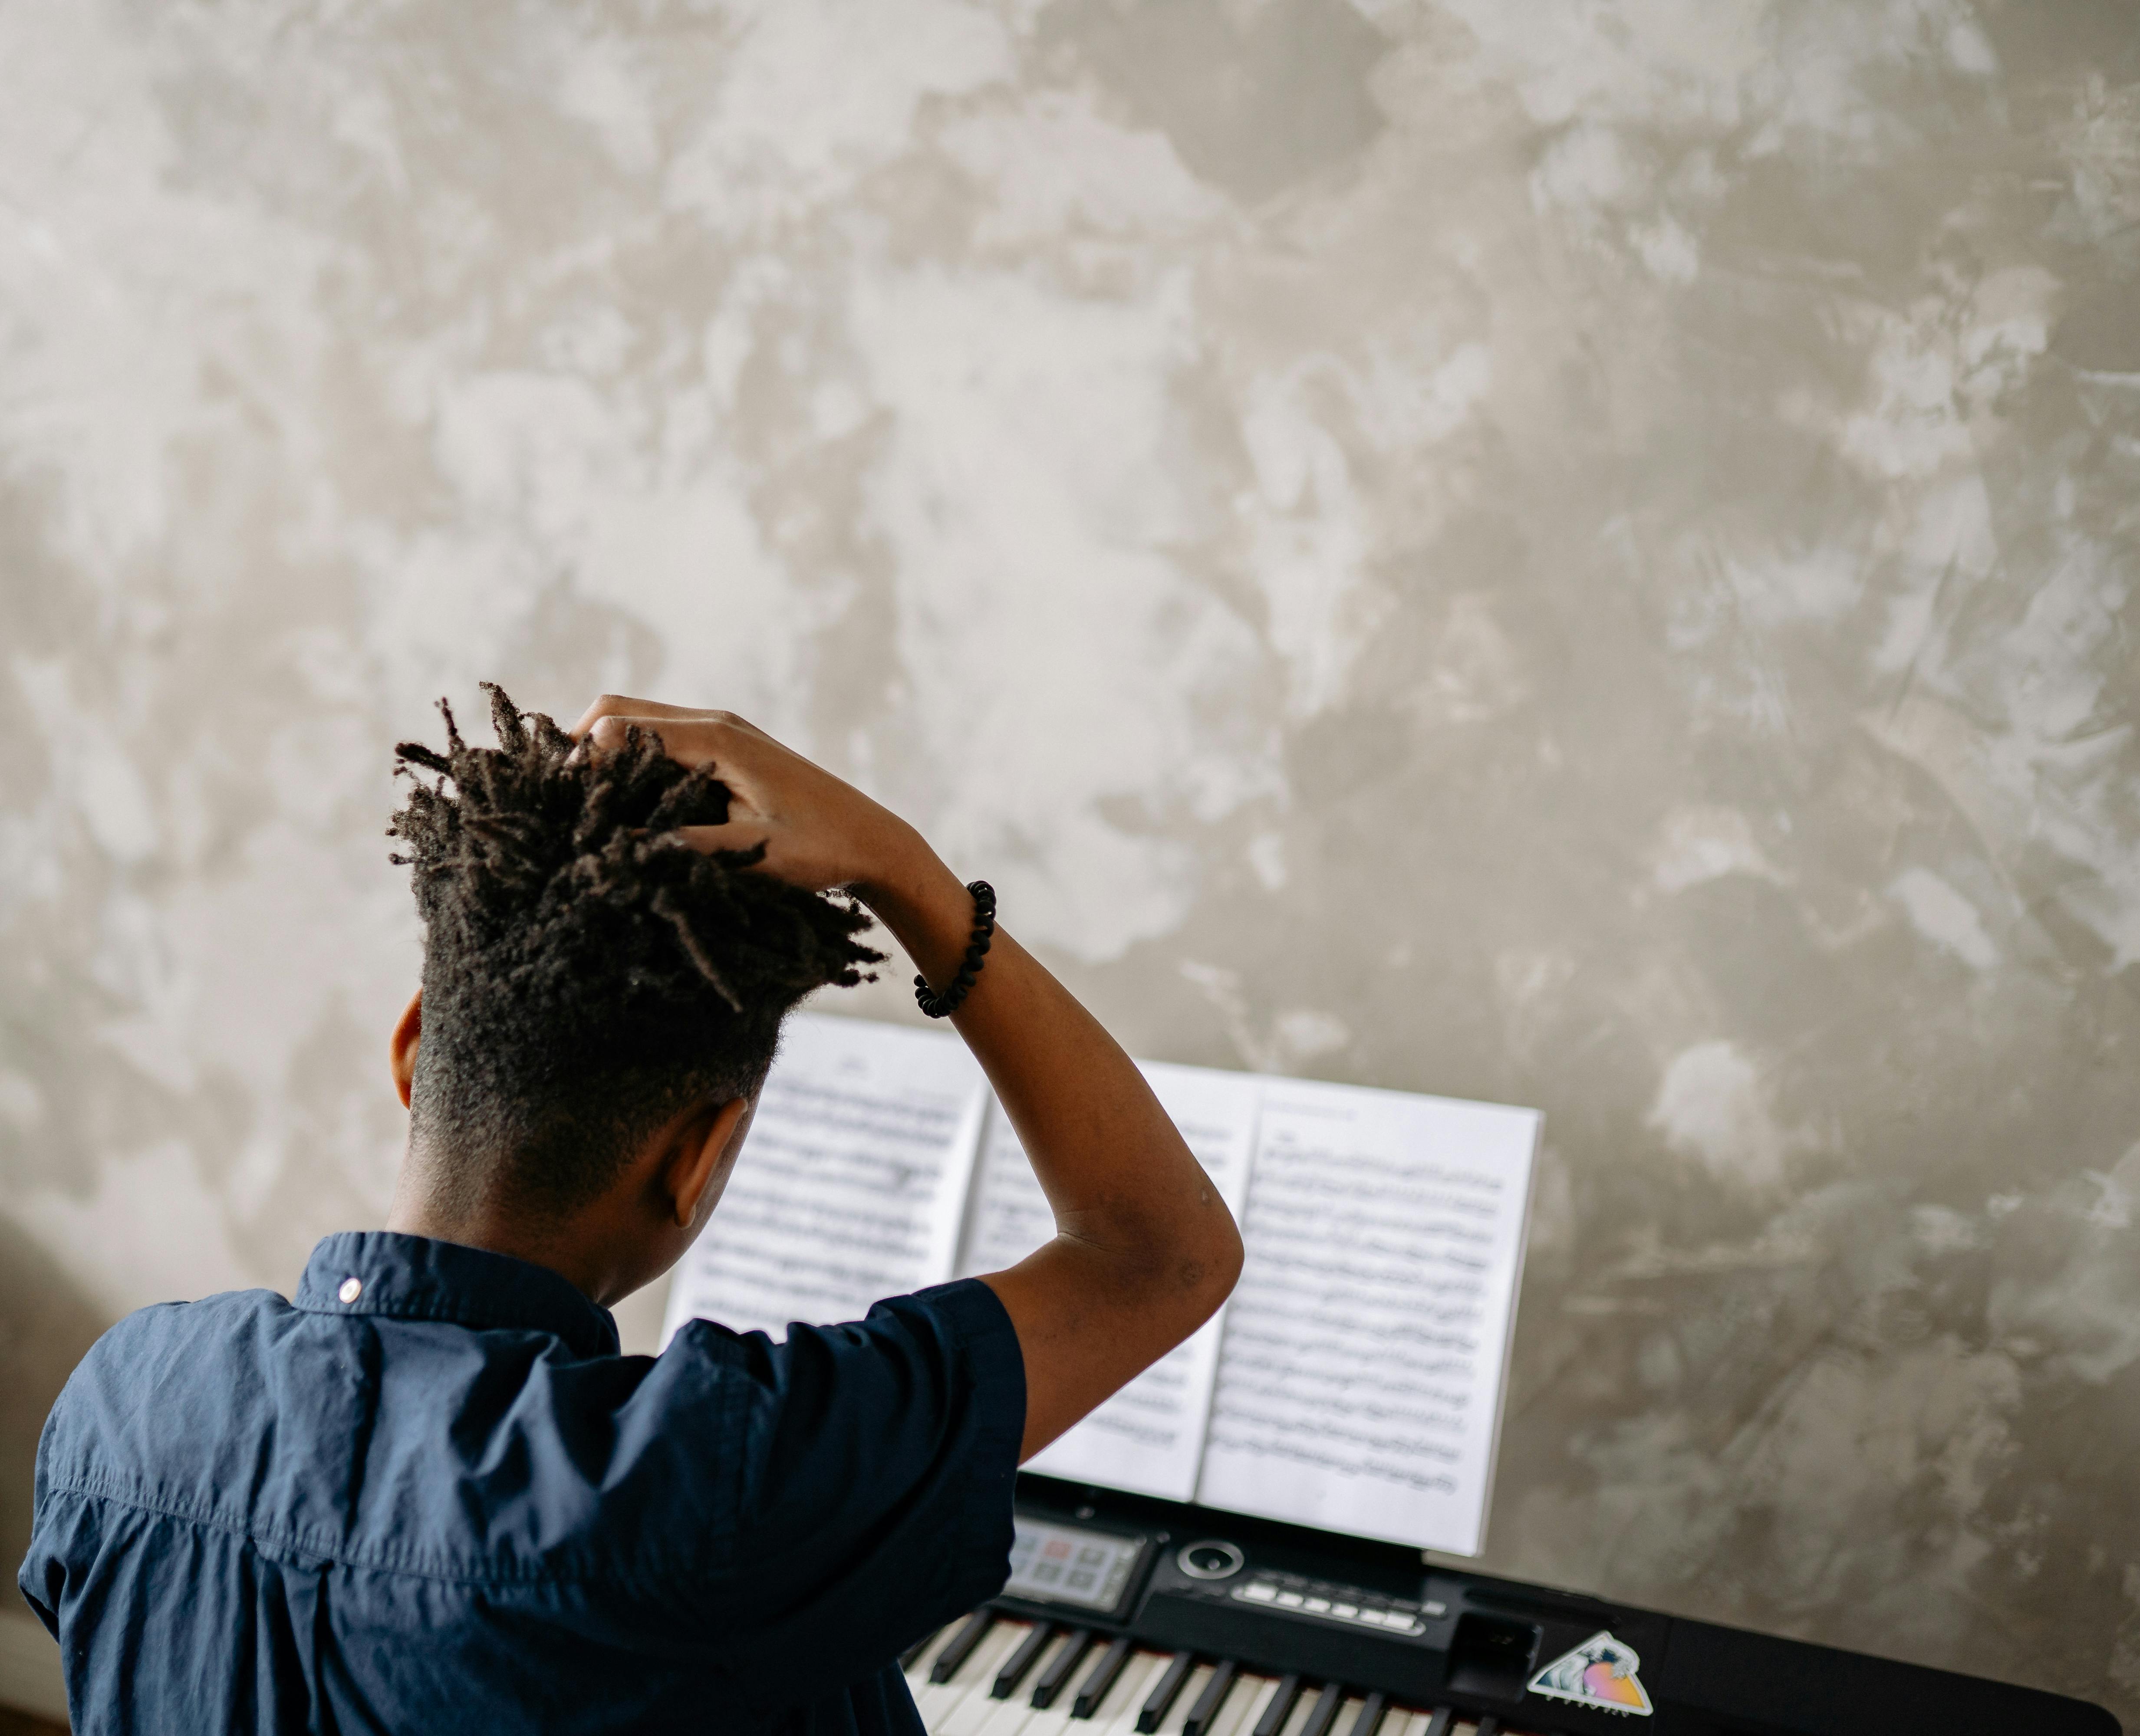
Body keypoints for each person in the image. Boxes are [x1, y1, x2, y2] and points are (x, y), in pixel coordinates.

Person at [18, 687, 1244, 1735]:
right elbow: (1161, 1254)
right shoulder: (708, 1471)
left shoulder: (123, 1402)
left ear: (409, 1050)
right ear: (700, 1156)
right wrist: (905, 873)